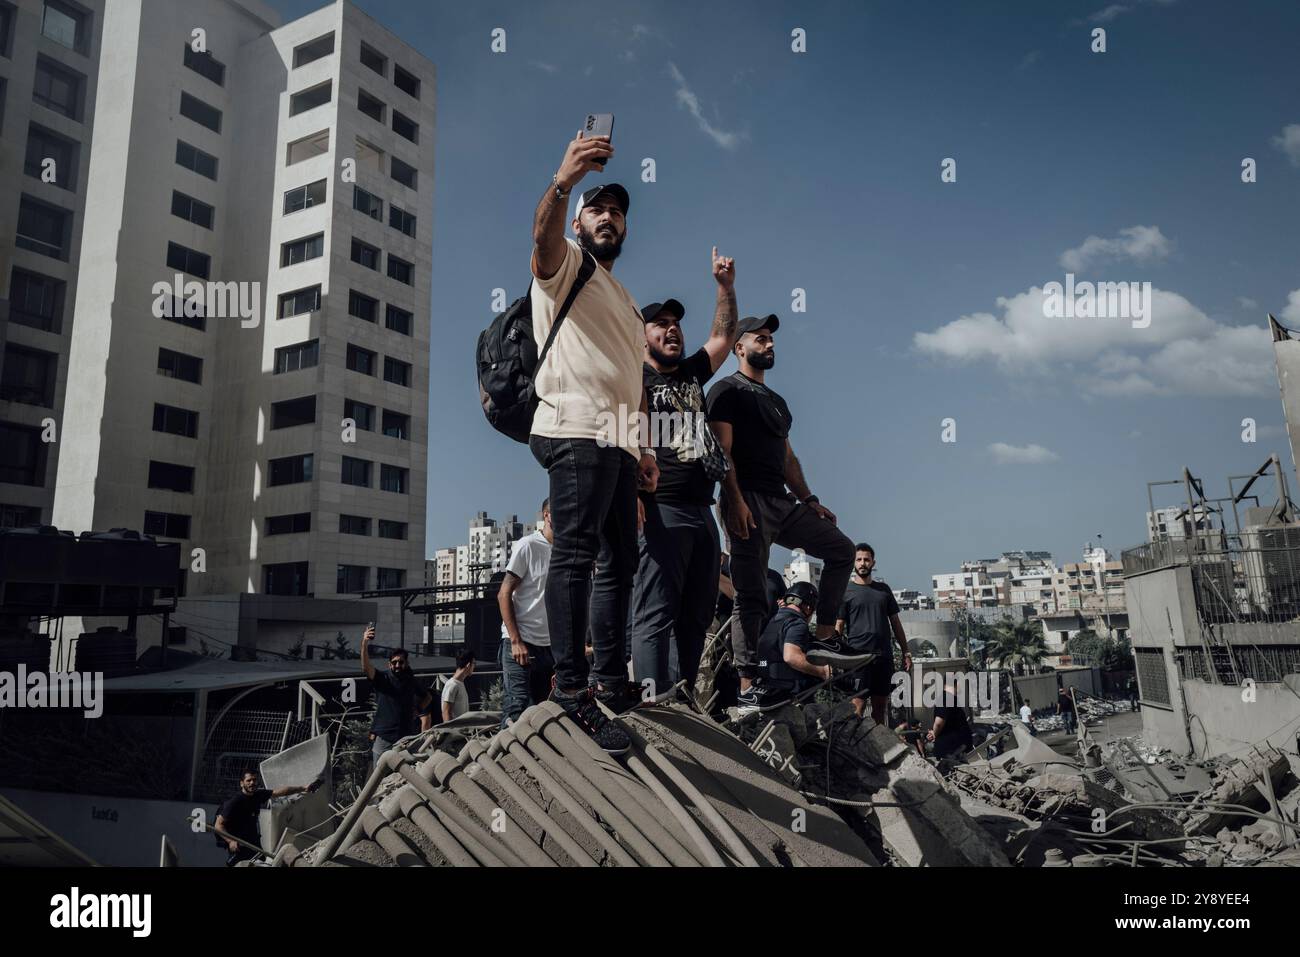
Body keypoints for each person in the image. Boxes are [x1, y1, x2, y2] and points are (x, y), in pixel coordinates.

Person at [528, 128, 659, 754]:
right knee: (576, 555)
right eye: (597, 209)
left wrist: (644, 450)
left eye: (618, 213)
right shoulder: (568, 266)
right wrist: (564, 181)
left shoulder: (626, 300)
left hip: (619, 444)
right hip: (575, 427)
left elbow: (629, 376)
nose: (609, 218)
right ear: (580, 223)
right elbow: (541, 241)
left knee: (622, 562)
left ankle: (609, 679)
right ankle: (570, 689)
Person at [706, 314, 855, 714]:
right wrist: (734, 500)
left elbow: (787, 457)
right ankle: (747, 683)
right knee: (751, 594)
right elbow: (722, 452)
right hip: (746, 500)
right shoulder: (725, 391)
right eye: (761, 339)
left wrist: (809, 499)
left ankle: (825, 635)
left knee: (842, 550)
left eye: (771, 339)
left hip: (782, 501)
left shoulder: (777, 401)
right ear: (739, 347)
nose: (770, 344)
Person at [629, 247, 739, 697]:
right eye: (660, 323)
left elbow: (725, 336)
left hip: (701, 511)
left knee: (696, 615)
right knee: (655, 613)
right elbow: (619, 437)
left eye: (676, 323)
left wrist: (725, 287)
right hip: (662, 508)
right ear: (642, 337)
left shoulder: (692, 373)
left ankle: (682, 699)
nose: (672, 329)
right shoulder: (634, 377)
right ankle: (651, 705)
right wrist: (632, 497)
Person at [832, 543, 911, 723]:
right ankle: (855, 741)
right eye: (859, 560)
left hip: (883, 657)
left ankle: (878, 741)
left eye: (866, 560)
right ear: (854, 563)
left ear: (873, 563)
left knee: (880, 707)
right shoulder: (846, 591)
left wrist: (906, 652)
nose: (862, 563)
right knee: (857, 707)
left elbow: (896, 623)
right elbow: (839, 627)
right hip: (857, 658)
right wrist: (836, 657)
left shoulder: (884, 590)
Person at [498, 500, 556, 727]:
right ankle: (504, 751)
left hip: (550, 647)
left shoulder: (565, 551)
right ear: (546, 515)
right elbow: (503, 594)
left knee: (544, 711)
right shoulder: (528, 545)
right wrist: (515, 641)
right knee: (517, 708)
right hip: (520, 643)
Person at [752, 582, 831, 712]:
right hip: (786, 693)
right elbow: (791, 657)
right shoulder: (797, 623)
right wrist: (823, 671)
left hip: (765, 688)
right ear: (808, 607)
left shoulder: (774, 620)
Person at [215, 769, 318, 866]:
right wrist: (230, 841)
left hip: (253, 842)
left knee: (261, 862)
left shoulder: (258, 795)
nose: (252, 783)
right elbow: (218, 825)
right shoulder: (234, 802)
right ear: (242, 783)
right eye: (248, 780)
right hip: (239, 845)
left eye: (254, 780)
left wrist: (303, 788)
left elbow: (280, 792)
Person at [361, 626, 432, 766]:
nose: (397, 665)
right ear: (389, 664)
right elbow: (366, 667)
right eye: (394, 662)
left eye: (401, 662)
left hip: (406, 737)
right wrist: (364, 643)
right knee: (379, 773)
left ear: (407, 663)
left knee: (405, 773)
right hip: (384, 737)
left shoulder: (410, 680)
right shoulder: (383, 678)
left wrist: (417, 710)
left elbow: (427, 697)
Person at [927, 682, 974, 762]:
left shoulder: (950, 699)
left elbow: (947, 724)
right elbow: (938, 723)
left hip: (956, 748)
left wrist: (934, 732)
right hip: (951, 750)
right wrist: (935, 733)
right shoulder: (946, 698)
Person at [441, 648, 475, 722]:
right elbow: (446, 712)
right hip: (454, 729)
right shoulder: (452, 684)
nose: (474, 667)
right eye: (474, 663)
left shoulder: (460, 683)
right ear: (468, 665)